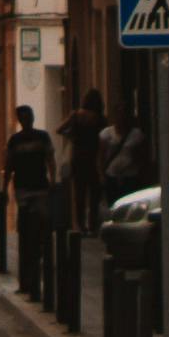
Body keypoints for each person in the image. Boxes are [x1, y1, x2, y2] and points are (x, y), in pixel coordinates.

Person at [60, 88, 106, 232]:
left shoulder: (76, 116)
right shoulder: (100, 118)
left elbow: (59, 129)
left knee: (79, 194)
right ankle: (93, 224)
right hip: (93, 159)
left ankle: (80, 225)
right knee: (94, 194)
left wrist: (72, 135)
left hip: (78, 158)